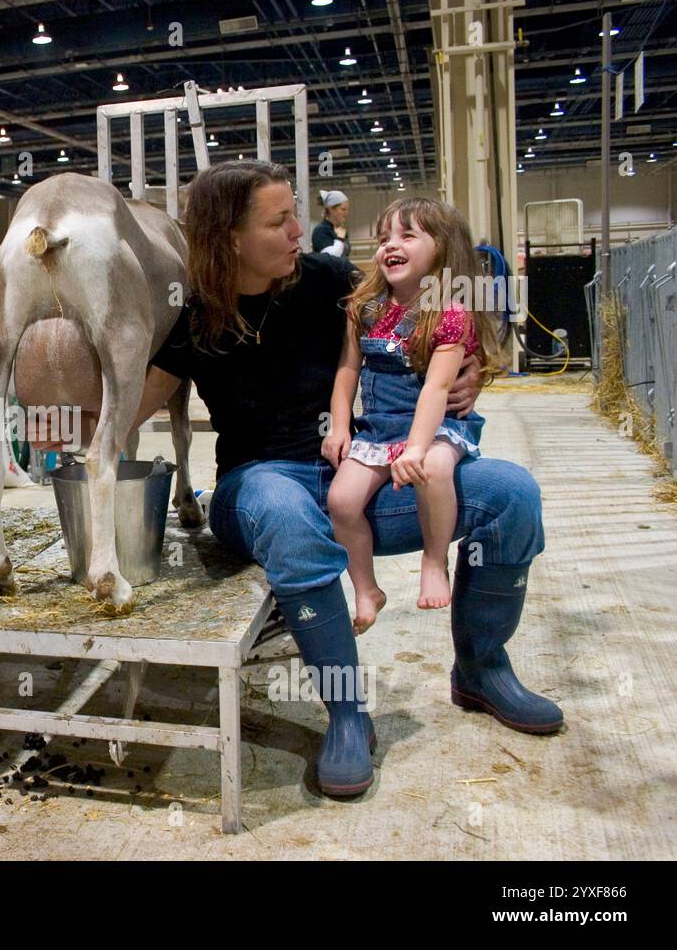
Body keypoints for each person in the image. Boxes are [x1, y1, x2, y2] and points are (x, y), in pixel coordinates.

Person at [127, 160, 562, 798]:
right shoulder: (194, 315)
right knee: (288, 518)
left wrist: (472, 372)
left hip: (358, 467)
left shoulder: (331, 280)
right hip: (256, 484)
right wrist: (62, 424)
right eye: (278, 222)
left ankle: (482, 668)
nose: (298, 230)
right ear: (228, 238)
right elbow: (132, 405)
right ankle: (348, 712)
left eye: (295, 213)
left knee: (512, 494)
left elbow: (421, 321)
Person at [324, 198, 502, 631]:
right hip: (380, 426)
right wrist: (341, 426)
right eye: (384, 238)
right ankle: (366, 588)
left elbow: (438, 389)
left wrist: (418, 448)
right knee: (341, 501)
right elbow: (348, 369)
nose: (390, 246)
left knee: (435, 468)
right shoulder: (364, 308)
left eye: (407, 236)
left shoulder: (450, 313)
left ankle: (434, 560)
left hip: (437, 424)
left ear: (441, 248)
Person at [311, 189, 350, 257]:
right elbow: (331, 257)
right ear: (331, 209)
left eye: (347, 209)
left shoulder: (340, 230)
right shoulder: (321, 231)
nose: (346, 213)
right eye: (343, 209)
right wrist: (339, 239)